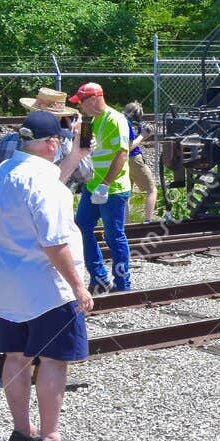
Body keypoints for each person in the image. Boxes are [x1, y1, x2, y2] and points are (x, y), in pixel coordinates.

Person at [0, 110, 95, 441]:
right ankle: (51, 437)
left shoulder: (5, 170)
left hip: (6, 282)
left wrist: (76, 156)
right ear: (50, 144)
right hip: (47, 287)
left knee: (16, 356)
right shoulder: (46, 184)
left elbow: (41, 187)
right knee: (53, 360)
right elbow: (54, 242)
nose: (63, 147)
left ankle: (21, 431)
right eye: (62, 143)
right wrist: (78, 286)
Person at [70, 83, 131, 293]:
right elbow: (83, 150)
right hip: (92, 186)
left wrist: (105, 184)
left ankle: (123, 283)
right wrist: (76, 132)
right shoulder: (88, 120)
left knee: (113, 235)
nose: (80, 108)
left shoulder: (116, 119)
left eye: (81, 103)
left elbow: (122, 154)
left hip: (112, 189)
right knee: (81, 227)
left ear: (94, 99)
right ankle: (99, 277)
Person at [123, 101, 158, 224]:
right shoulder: (126, 123)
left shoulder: (119, 121)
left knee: (126, 192)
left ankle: (126, 223)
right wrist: (143, 136)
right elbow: (129, 146)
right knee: (152, 190)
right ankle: (148, 221)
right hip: (133, 158)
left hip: (121, 160)